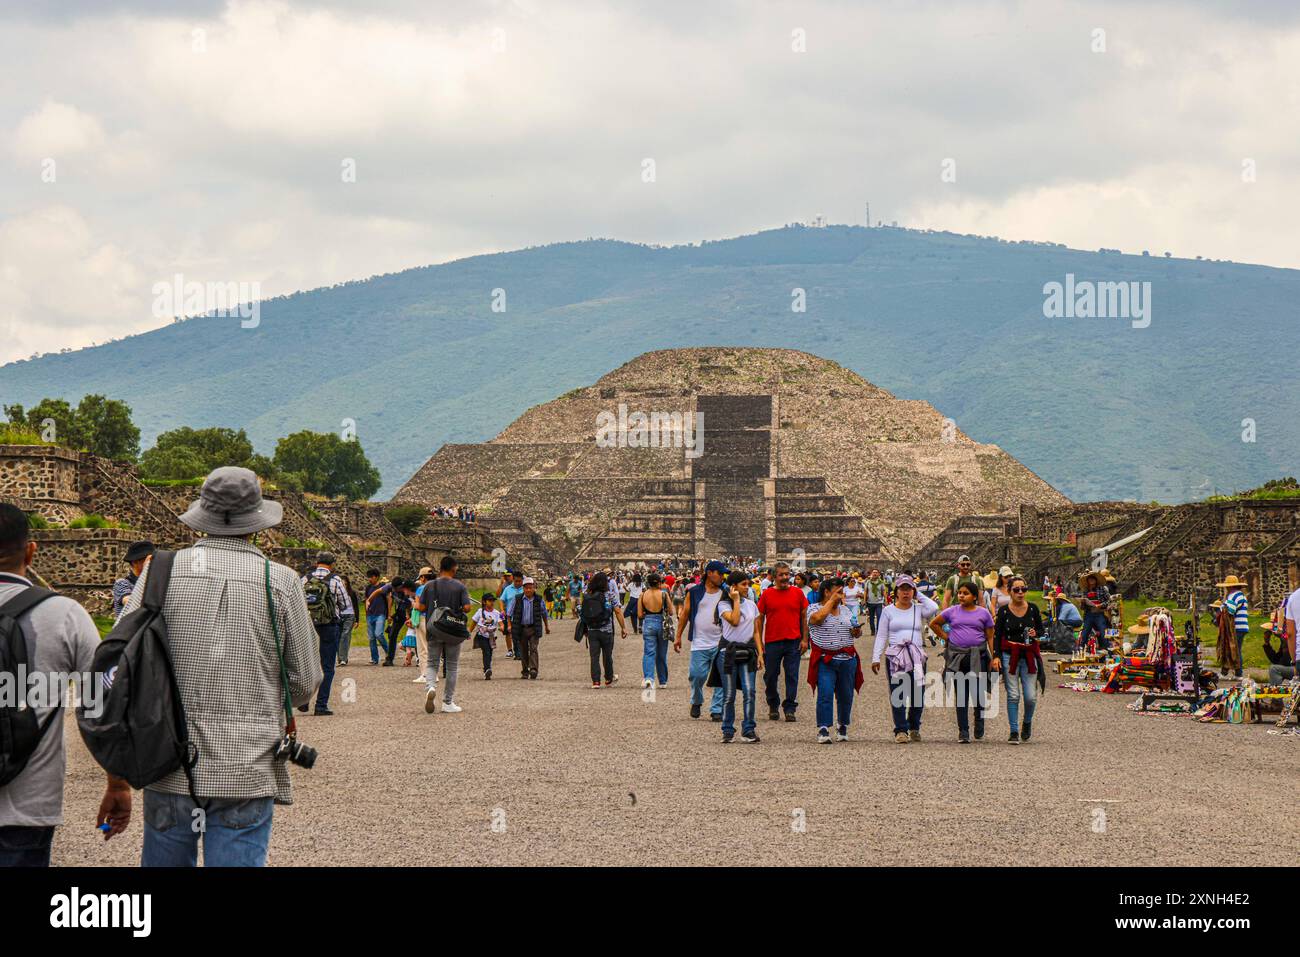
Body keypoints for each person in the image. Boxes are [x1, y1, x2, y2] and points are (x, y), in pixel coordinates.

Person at [128, 467, 321, 866]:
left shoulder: (160, 572)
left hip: (169, 757)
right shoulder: (280, 581)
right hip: (247, 763)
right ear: (257, 523)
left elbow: (124, 660)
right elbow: (304, 680)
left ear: (203, 515)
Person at [0, 503, 132, 866]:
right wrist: (117, 783)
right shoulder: (64, 614)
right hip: (27, 807)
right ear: (31, 551)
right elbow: (99, 704)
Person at [871, 574, 938, 743]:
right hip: (896, 656)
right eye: (902, 589)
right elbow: (881, 635)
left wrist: (918, 594)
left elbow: (933, 607)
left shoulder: (918, 609)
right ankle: (901, 730)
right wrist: (876, 657)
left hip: (916, 656)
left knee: (918, 694)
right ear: (896, 592)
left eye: (909, 589)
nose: (906, 593)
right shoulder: (888, 611)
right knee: (898, 693)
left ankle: (914, 726)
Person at [929, 581, 995, 743]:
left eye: (965, 593)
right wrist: (946, 638)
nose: (961, 596)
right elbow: (934, 624)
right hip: (957, 657)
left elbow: (990, 636)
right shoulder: (952, 611)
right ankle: (963, 731)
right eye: (959, 593)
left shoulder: (983, 613)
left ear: (974, 597)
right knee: (961, 695)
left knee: (978, 693)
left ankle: (979, 721)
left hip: (978, 657)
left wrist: (994, 657)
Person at [807, 576, 864, 743]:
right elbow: (817, 619)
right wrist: (831, 601)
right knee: (825, 693)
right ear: (826, 592)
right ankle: (823, 728)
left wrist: (856, 632)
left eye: (842, 592)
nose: (842, 595)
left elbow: (855, 630)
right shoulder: (813, 608)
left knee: (846, 695)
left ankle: (842, 724)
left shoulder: (846, 610)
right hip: (825, 659)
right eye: (838, 592)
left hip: (847, 659)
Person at [416, 555, 472, 714]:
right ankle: (447, 702)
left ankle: (431, 687)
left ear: (440, 568)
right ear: (454, 568)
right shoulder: (459, 586)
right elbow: (467, 608)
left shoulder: (429, 585)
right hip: (453, 630)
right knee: (452, 666)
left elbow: (421, 607)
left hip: (434, 628)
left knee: (432, 663)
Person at [675, 560, 728, 720]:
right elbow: (685, 614)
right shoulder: (694, 592)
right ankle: (696, 700)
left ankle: (717, 709)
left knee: (722, 677)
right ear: (710, 573)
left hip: (721, 641)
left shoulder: (726, 592)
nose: (723, 577)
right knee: (696, 675)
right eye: (720, 574)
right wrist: (678, 636)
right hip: (700, 641)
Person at [713, 571, 763, 743]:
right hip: (727, 653)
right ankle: (727, 729)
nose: (747, 587)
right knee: (729, 694)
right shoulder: (723, 605)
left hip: (748, 651)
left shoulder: (751, 605)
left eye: (748, 584)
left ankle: (748, 729)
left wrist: (760, 653)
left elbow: (756, 631)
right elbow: (734, 621)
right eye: (744, 584)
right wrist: (735, 600)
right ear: (733, 587)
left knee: (750, 692)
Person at [301, 551, 353, 715]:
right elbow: (345, 604)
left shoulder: (305, 579)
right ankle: (321, 705)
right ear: (332, 564)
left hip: (308, 626)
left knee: (308, 664)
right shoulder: (335, 580)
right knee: (328, 667)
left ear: (317, 562)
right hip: (329, 625)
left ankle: (304, 701)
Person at [994, 576, 1044, 744]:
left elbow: (1042, 630)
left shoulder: (1033, 608)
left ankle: (1027, 722)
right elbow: (997, 635)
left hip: (1029, 655)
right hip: (1010, 655)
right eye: (1016, 589)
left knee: (1031, 697)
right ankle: (1014, 731)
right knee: (1013, 695)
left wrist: (1036, 633)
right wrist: (996, 656)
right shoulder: (1003, 611)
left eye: (1023, 589)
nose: (1020, 592)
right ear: (1009, 591)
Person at [757, 561, 808, 721]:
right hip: (772, 641)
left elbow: (804, 618)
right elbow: (759, 619)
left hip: (793, 641)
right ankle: (773, 703)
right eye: (781, 575)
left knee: (792, 675)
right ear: (774, 577)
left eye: (787, 574)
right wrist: (759, 644)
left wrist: (805, 639)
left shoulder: (798, 593)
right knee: (771, 675)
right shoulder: (767, 594)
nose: (785, 577)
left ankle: (790, 708)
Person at [579, 571, 624, 687]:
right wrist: (623, 627)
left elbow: (582, 611)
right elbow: (618, 611)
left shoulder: (587, 595)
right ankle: (608, 678)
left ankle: (596, 681)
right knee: (607, 655)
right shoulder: (609, 595)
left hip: (592, 630)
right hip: (607, 630)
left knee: (594, 657)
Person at [639, 572, 675, 689]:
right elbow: (671, 612)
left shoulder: (643, 595)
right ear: (659, 583)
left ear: (648, 583)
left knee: (649, 652)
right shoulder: (664, 594)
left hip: (649, 623)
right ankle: (663, 681)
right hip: (662, 623)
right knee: (661, 654)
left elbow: (639, 615)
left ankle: (649, 678)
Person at [510, 576, 550, 679]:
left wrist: (546, 626)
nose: (528, 590)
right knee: (523, 650)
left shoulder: (539, 599)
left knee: (533, 648)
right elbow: (509, 613)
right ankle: (525, 671)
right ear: (523, 588)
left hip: (534, 628)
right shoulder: (517, 599)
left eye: (530, 588)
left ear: (534, 588)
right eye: (526, 588)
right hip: (521, 628)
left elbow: (544, 613)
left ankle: (533, 669)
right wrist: (510, 626)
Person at [1215, 575, 1249, 679]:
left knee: (1233, 649)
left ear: (1229, 586)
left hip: (1236, 627)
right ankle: (1232, 672)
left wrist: (1221, 607)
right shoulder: (1238, 595)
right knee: (1233, 649)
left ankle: (1235, 673)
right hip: (1239, 626)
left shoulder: (1234, 595)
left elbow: (1230, 610)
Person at [111, 539, 154, 620]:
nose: (152, 563)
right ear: (135, 562)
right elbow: (131, 603)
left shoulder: (153, 583)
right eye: (148, 560)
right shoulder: (122, 583)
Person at [362, 569, 393, 666]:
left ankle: (389, 653)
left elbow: (389, 600)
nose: (369, 579)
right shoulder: (368, 588)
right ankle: (374, 659)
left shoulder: (383, 587)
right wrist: (366, 612)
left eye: (370, 577)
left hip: (380, 614)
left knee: (378, 634)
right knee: (371, 638)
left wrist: (389, 614)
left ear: (376, 577)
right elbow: (366, 600)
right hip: (370, 615)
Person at [470, 592, 503, 680]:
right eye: (489, 601)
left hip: (492, 637)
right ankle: (487, 669)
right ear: (484, 602)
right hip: (482, 635)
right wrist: (469, 632)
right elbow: (473, 622)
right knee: (486, 651)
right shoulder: (480, 612)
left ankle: (487, 669)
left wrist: (502, 627)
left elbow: (501, 623)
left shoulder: (496, 613)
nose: (492, 602)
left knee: (490, 653)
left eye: (493, 601)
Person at [1077, 571, 1111, 651]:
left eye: (1093, 579)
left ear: (1096, 580)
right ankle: (1081, 650)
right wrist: (1082, 602)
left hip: (1099, 613)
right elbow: (1083, 608)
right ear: (1087, 581)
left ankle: (1108, 650)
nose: (1091, 580)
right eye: (1089, 579)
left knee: (1103, 632)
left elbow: (1109, 601)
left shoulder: (1102, 589)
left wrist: (1101, 605)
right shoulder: (1085, 591)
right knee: (1085, 632)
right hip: (1089, 614)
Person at [499, 570, 524, 660]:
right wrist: (502, 610)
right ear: (513, 579)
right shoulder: (507, 589)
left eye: (520, 581)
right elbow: (501, 600)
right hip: (511, 617)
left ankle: (522, 652)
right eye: (516, 581)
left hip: (524, 617)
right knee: (514, 636)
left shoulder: (525, 589)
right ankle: (517, 653)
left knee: (523, 635)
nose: (518, 583)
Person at [337, 572, 359, 666]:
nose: (343, 586)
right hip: (339, 616)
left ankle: (343, 659)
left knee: (345, 635)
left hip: (350, 616)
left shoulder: (352, 593)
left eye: (345, 584)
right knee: (338, 637)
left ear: (347, 584)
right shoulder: (336, 593)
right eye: (341, 584)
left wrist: (357, 620)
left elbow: (356, 606)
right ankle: (340, 658)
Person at [864, 568, 888, 635]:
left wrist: (886, 600)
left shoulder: (881, 582)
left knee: (879, 617)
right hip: (870, 602)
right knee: (871, 617)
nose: (875, 573)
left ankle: (878, 630)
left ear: (878, 574)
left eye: (876, 572)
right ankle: (873, 630)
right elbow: (865, 591)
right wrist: (864, 600)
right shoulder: (868, 582)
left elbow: (884, 591)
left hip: (879, 603)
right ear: (871, 574)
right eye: (873, 572)